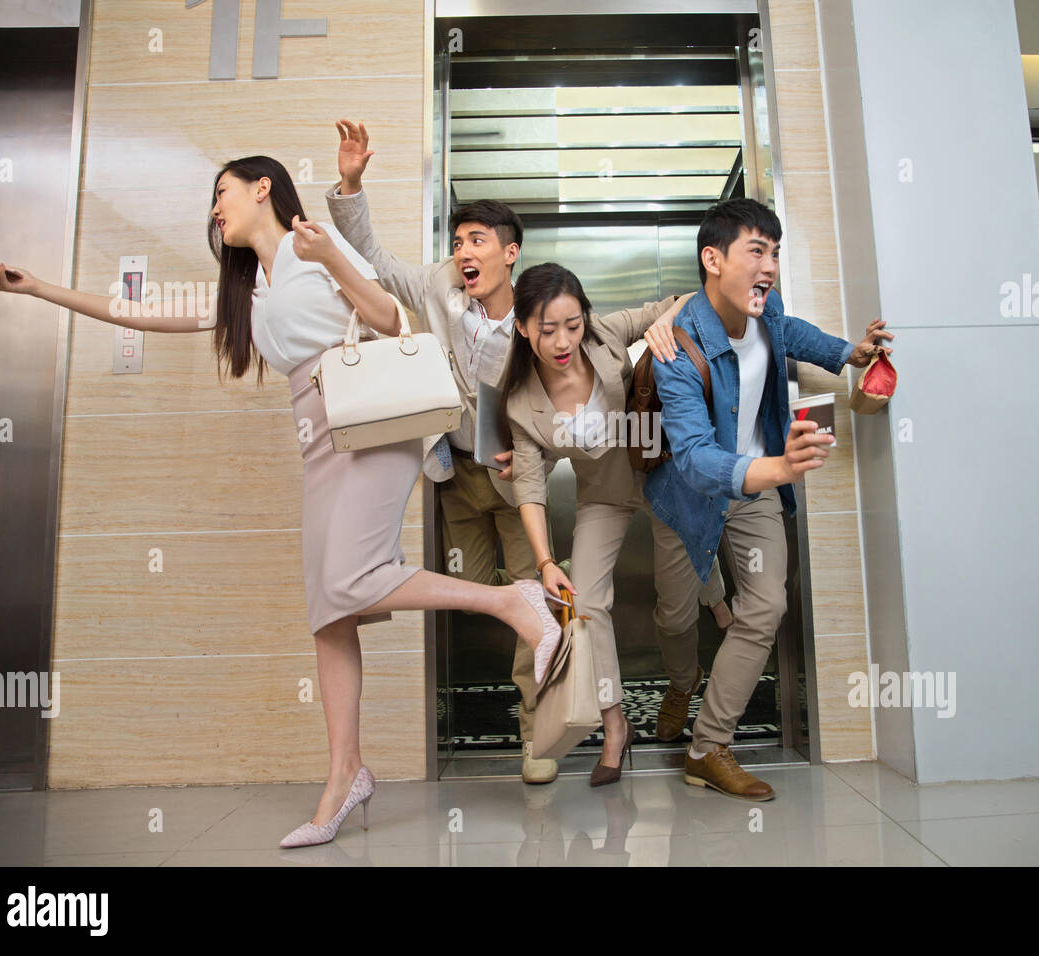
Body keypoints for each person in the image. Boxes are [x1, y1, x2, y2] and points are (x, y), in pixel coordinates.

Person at [0, 155, 566, 845]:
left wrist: (332, 259)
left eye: (222, 192)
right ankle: (346, 774)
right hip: (318, 442)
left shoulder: (314, 244)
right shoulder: (246, 291)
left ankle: (509, 601)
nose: (215, 207)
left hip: (373, 425)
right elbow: (139, 309)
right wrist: (35, 288)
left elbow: (392, 319)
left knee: (353, 579)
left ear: (262, 188)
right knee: (329, 610)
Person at [323, 121, 734, 780]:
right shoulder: (454, 305)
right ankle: (599, 715)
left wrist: (666, 323)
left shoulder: (569, 326)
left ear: (511, 253)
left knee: (615, 592)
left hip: (597, 474)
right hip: (509, 480)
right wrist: (350, 186)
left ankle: (589, 709)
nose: (463, 252)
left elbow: (668, 308)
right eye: (457, 242)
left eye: (477, 241)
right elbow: (377, 258)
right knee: (529, 599)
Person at [646, 197, 894, 801]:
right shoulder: (676, 350)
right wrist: (779, 465)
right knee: (677, 617)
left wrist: (846, 353)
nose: (770, 266)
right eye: (757, 251)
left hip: (756, 489)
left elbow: (791, 334)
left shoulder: (767, 308)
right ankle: (682, 682)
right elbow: (693, 458)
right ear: (713, 259)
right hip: (688, 500)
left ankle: (707, 747)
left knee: (765, 607)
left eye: (775, 253)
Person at [499, 263, 731, 785]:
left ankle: (709, 606)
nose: (563, 341)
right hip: (603, 495)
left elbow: (688, 298)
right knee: (587, 605)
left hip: (658, 473)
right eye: (547, 329)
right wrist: (542, 563)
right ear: (522, 328)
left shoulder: (604, 333)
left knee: (679, 587)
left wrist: (662, 322)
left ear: (586, 317)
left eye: (572, 324)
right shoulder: (521, 402)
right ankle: (614, 723)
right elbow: (531, 488)